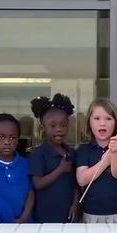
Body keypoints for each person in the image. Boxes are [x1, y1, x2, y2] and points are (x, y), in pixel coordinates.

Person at [75, 98, 117, 223]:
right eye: (97, 118)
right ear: (89, 122)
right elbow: (81, 179)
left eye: (108, 118)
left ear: (116, 123)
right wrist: (104, 161)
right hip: (92, 212)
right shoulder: (84, 149)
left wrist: (114, 153)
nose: (102, 123)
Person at [28, 93, 79, 223]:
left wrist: (75, 205)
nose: (59, 129)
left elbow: (76, 185)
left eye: (63, 125)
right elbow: (37, 184)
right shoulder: (38, 153)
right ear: (43, 127)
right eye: (53, 125)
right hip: (46, 215)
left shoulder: (71, 153)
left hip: (68, 214)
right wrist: (60, 170)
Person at [0, 113, 34, 223]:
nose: (7, 142)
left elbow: (31, 194)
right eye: (1, 137)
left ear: (18, 139)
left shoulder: (26, 164)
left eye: (12, 137)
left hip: (24, 224)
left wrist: (23, 218)